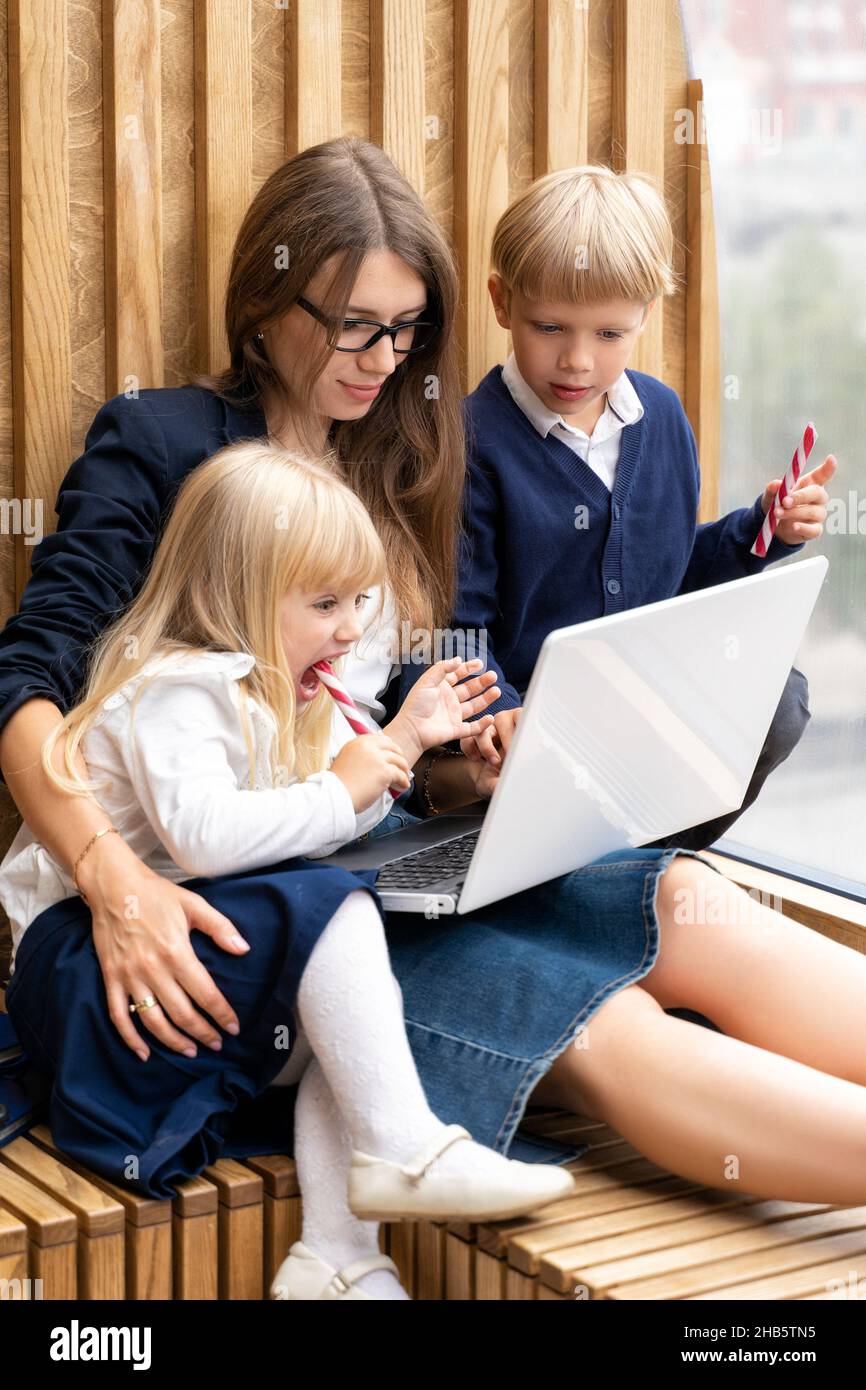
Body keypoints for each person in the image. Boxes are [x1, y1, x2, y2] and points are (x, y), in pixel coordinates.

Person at [1, 139, 865, 1304]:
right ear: (266, 297)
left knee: (674, 902)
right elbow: (28, 684)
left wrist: (479, 765)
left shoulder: (410, 458)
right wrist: (115, 883)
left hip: (378, 845)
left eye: (406, 330)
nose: (384, 358)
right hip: (238, 904)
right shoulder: (164, 443)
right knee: (598, 1022)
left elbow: (407, 718)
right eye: (355, 325)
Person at [0, 441, 578, 1299]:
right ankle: (403, 1144)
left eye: (359, 603)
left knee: (335, 1034)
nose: (350, 629)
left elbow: (351, 803)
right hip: (90, 965)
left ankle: (338, 1258)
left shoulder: (300, 691)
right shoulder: (183, 688)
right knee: (332, 904)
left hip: (185, 961)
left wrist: (401, 747)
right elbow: (203, 839)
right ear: (234, 594)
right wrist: (347, 783)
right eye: (324, 603)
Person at [447, 163, 837, 852]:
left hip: (637, 708)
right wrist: (501, 719)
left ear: (644, 318)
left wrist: (764, 532)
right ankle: (594, 868)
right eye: (549, 327)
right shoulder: (474, 445)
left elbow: (675, 570)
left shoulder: (658, 414)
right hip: (534, 731)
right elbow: (457, 629)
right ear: (502, 302)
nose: (576, 361)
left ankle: (643, 863)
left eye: (608, 335)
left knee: (779, 698)